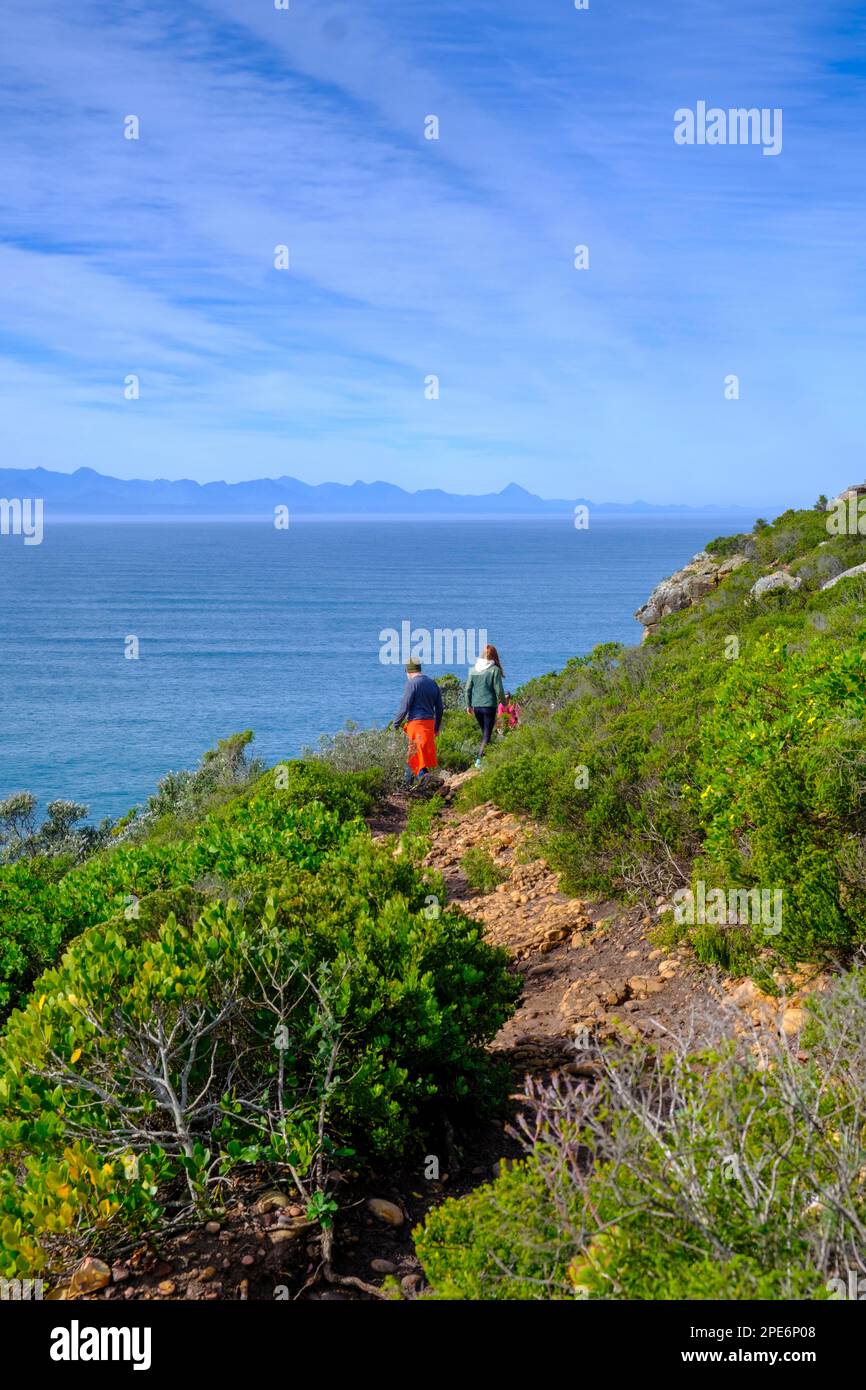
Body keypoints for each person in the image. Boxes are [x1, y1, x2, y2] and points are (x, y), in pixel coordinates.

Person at [392, 659, 444, 787]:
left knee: (415, 757)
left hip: (416, 725)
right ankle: (407, 784)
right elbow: (440, 708)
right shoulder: (432, 683)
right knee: (417, 757)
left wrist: (395, 725)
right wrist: (436, 728)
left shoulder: (412, 684)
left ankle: (426, 785)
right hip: (429, 724)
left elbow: (404, 707)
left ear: (408, 671)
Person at [465, 644, 506, 769]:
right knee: (487, 734)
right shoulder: (494, 670)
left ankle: (486, 757)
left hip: (476, 706)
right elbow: (498, 690)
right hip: (489, 706)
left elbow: (467, 689)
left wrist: (468, 705)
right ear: (494, 656)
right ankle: (479, 760)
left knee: (485, 733)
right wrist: (504, 703)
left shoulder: (473, 670)